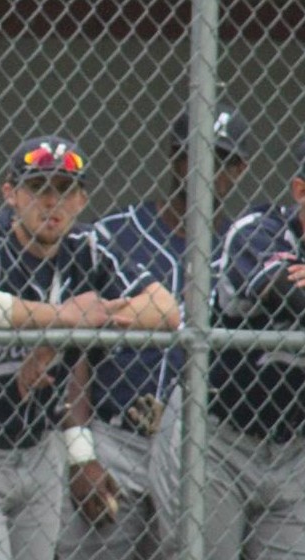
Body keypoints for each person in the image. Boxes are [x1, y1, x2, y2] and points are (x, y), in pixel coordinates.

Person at [0, 135, 181, 560]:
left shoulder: (86, 249)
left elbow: (166, 311)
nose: (51, 203)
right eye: (38, 188)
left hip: (41, 450)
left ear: (81, 200)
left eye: (64, 190)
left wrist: (88, 318)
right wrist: (61, 318)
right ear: (11, 194)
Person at [91, 104, 252, 560]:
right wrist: (78, 445)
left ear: (240, 170)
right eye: (195, 154)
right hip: (116, 436)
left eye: (224, 160)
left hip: (196, 449)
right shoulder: (115, 233)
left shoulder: (240, 248)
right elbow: (75, 349)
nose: (208, 169)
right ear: (174, 157)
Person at [150, 137, 304, 560]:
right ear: (299, 191)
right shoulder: (259, 228)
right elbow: (281, 289)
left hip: (292, 450)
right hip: (216, 438)